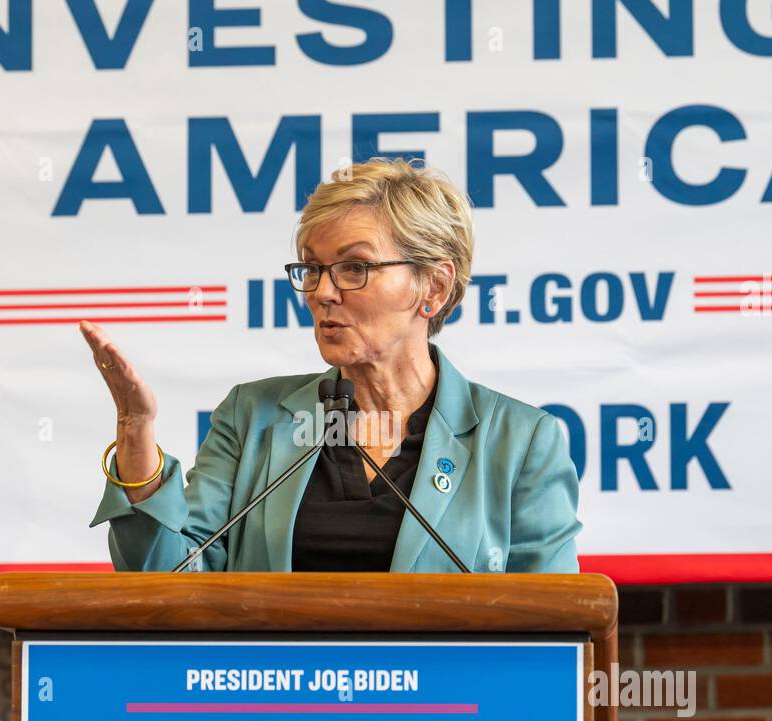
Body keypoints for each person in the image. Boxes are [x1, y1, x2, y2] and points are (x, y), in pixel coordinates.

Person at [82, 157, 581, 573]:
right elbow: (168, 579)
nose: (321, 292)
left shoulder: (521, 443)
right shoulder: (252, 416)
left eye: (354, 267)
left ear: (433, 287)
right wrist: (135, 430)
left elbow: (556, 633)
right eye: (313, 268)